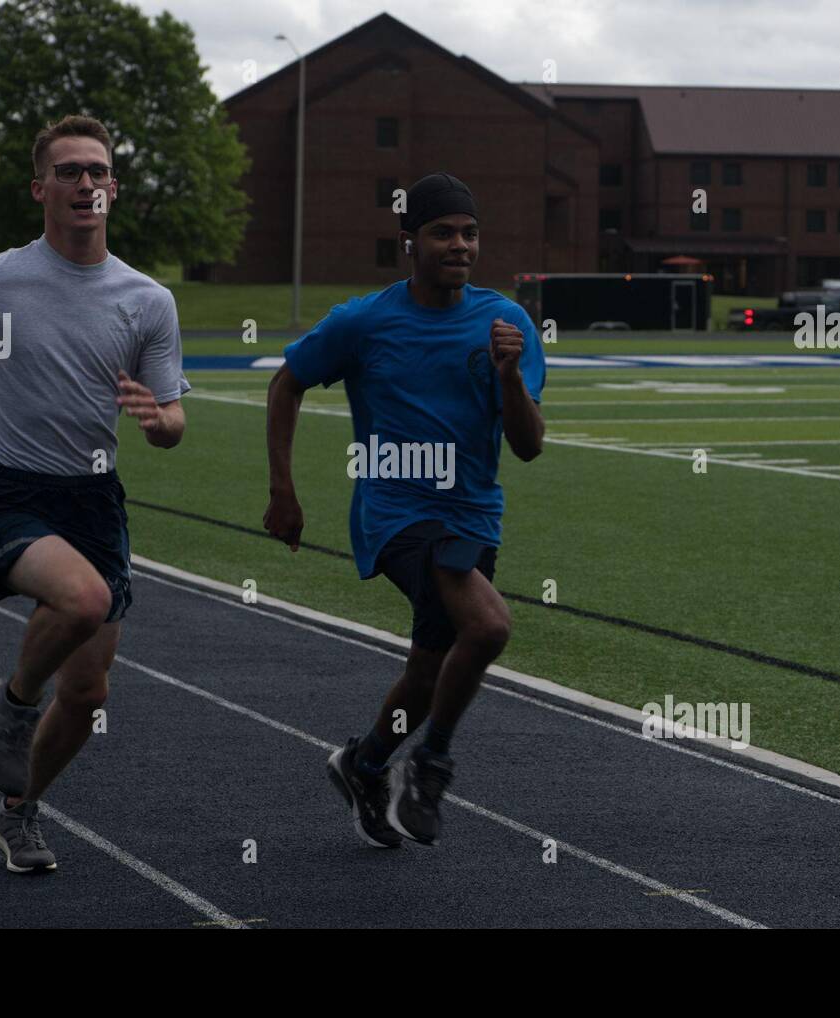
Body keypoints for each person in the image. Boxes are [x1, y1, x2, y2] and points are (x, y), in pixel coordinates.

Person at [0, 115, 186, 872]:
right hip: (12, 492)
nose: (86, 183)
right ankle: (15, 704)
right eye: (70, 172)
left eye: (98, 171)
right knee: (81, 602)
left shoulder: (147, 300)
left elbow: (173, 416)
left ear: (113, 187)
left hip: (95, 501)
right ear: (41, 188)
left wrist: (160, 420)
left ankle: (18, 812)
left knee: (87, 695)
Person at [264, 172, 546, 847]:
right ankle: (432, 762)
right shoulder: (365, 321)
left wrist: (508, 378)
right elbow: (287, 381)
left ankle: (364, 765)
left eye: (469, 233)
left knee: (427, 673)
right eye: (443, 233)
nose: (459, 245)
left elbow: (530, 447)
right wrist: (283, 489)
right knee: (489, 627)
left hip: (473, 516)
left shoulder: (507, 324)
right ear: (407, 244)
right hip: (395, 513)